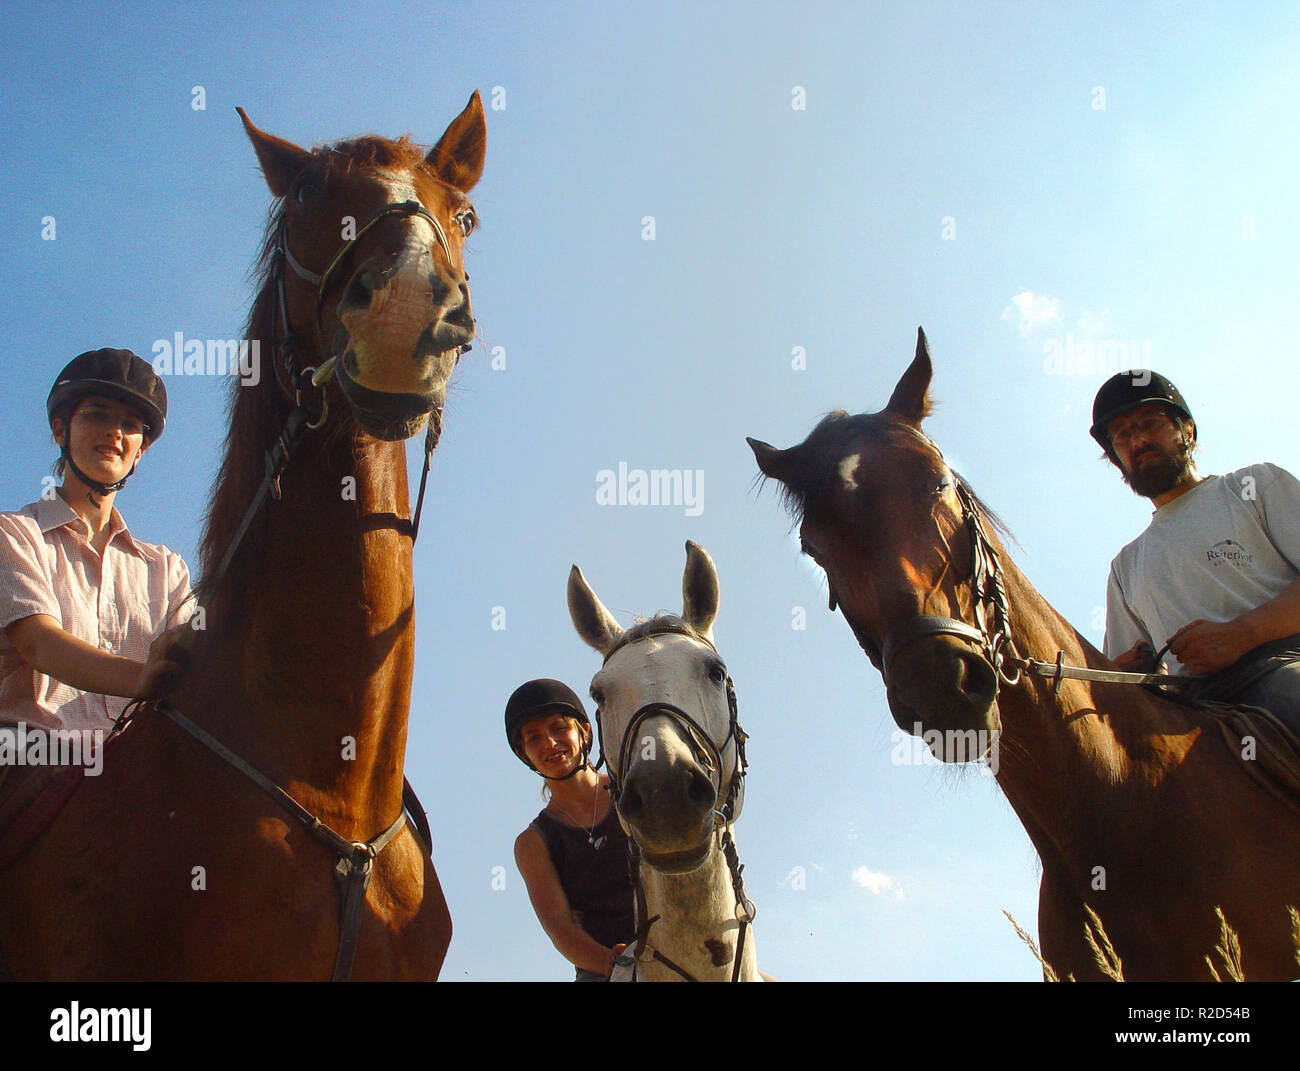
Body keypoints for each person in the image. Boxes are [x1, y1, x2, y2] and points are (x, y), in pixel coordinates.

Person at [0, 348, 191, 744]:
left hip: (138, 767)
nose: (114, 432)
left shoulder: (168, 569)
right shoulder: (14, 535)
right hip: (30, 757)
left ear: (141, 451)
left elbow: (192, 668)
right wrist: (141, 676)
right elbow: (39, 643)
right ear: (59, 430)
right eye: (97, 414)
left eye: (130, 424)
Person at [1092, 369, 1300, 731]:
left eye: (1149, 423)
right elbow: (1126, 673)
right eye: (1122, 435)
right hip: (1191, 707)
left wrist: (1241, 634)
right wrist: (1127, 671)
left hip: (1281, 665)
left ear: (1186, 432)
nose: (1138, 440)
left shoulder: (1253, 486)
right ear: (1116, 460)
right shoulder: (1126, 567)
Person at [508, 678, 635, 981]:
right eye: (533, 737)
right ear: (523, 752)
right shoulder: (532, 843)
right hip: (606, 970)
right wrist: (612, 964)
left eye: (558, 728)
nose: (550, 743)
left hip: (681, 944)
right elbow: (560, 928)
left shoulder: (632, 790)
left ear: (583, 731)